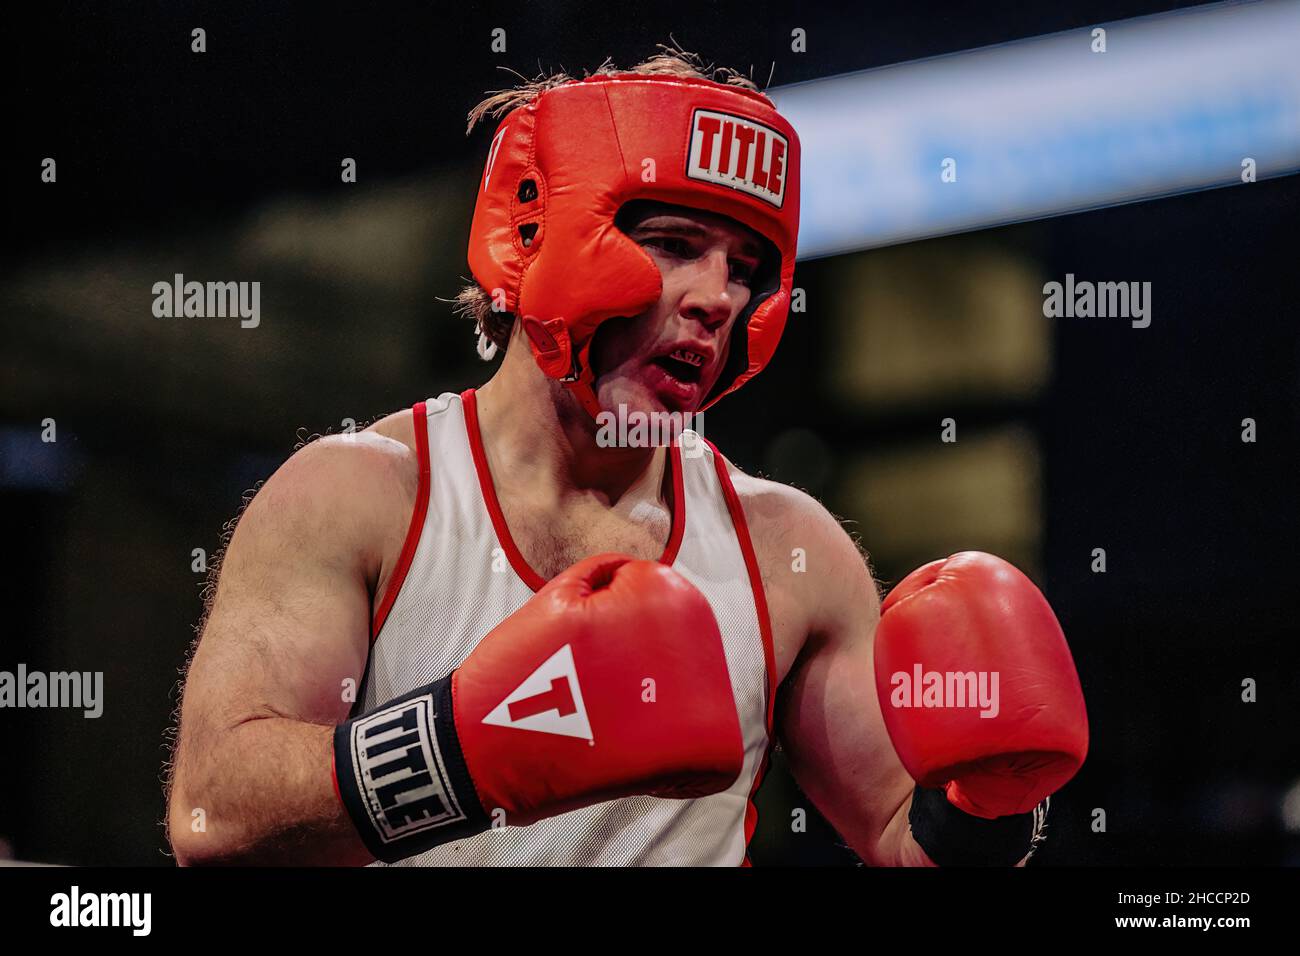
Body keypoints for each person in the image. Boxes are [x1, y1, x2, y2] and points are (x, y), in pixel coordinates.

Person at [165, 50, 1087, 866]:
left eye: (745, 269)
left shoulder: (786, 551)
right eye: (676, 246)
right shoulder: (360, 496)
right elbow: (214, 815)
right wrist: (470, 747)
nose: (718, 296)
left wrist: (987, 806)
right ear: (531, 235)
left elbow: (900, 841)